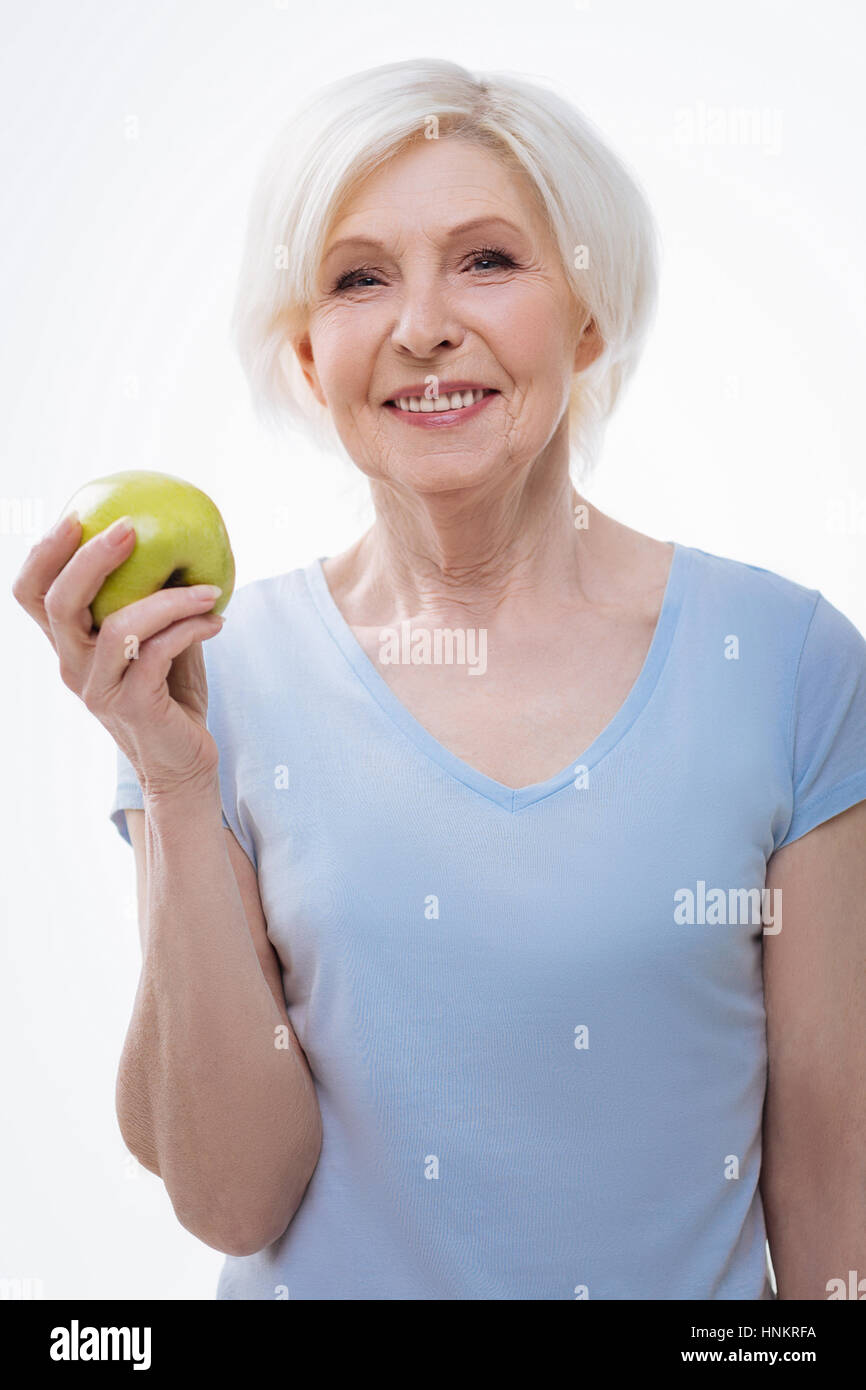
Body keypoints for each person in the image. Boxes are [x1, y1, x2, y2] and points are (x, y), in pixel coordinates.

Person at [13, 59, 866, 1300]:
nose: (421, 323)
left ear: (587, 315)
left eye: (486, 259)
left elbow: (830, 1183)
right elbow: (228, 1194)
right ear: (310, 355)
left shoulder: (784, 666)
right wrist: (175, 782)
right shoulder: (208, 676)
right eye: (359, 277)